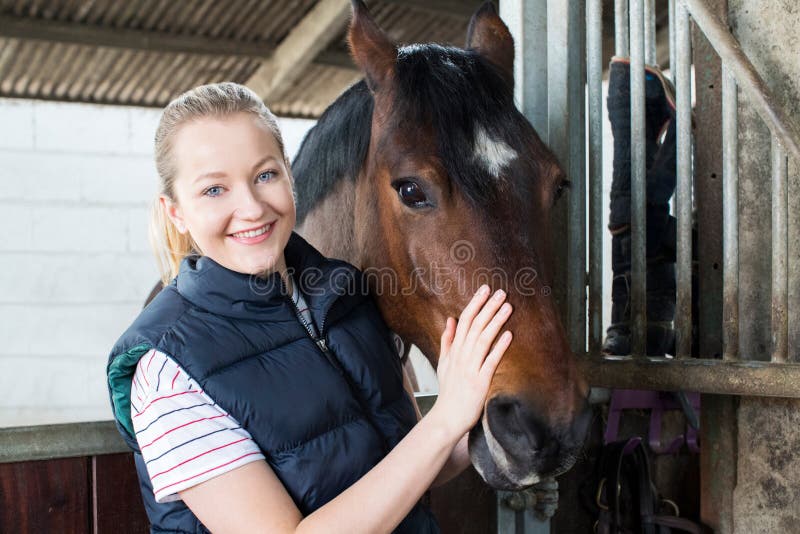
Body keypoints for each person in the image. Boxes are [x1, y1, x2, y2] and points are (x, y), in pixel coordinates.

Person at [106, 82, 514, 533]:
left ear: (289, 176)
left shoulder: (347, 297)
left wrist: (483, 412)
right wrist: (446, 420)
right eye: (214, 190)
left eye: (265, 176)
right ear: (176, 212)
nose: (252, 208)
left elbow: (412, 465)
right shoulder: (165, 369)